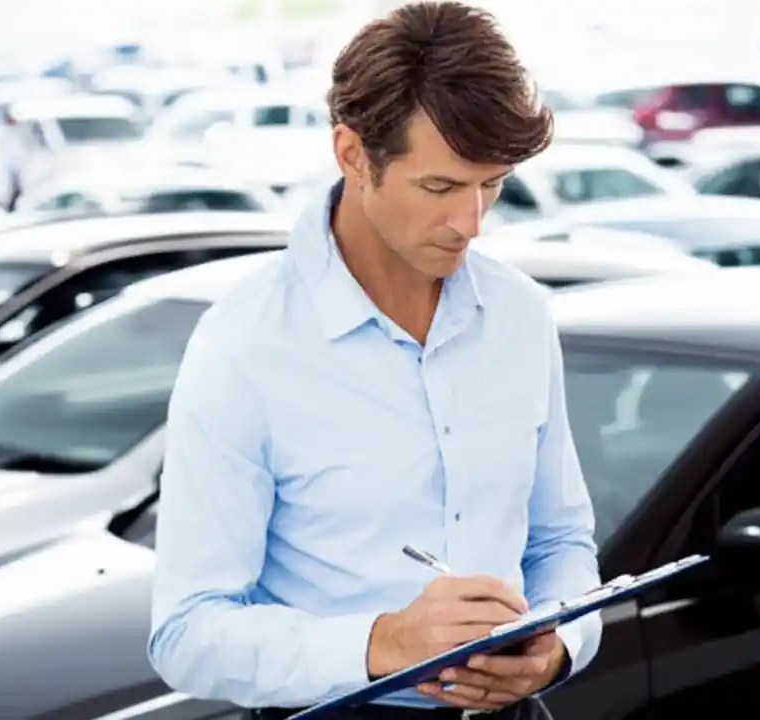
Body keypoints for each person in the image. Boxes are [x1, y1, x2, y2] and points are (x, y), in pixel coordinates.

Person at [148, 3, 602, 719]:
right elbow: (187, 633)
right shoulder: (244, 345)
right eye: (440, 187)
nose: (471, 222)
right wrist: (381, 644)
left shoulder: (519, 314)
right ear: (353, 154)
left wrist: (559, 647)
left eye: (492, 184)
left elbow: (560, 541)